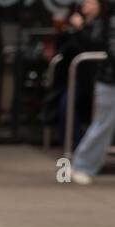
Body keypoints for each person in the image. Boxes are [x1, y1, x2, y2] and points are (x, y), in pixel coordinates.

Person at [71, 0, 115, 184]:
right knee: (103, 123)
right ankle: (82, 164)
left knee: (104, 123)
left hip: (106, 77)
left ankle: (83, 164)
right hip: (109, 79)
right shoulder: (110, 18)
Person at [49, 0, 103, 145]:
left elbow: (93, 45)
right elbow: (67, 48)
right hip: (76, 76)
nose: (85, 4)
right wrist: (67, 31)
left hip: (93, 78)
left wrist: (80, 29)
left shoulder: (100, 24)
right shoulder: (79, 21)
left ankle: (80, 144)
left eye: (90, 2)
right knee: (64, 105)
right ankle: (74, 142)